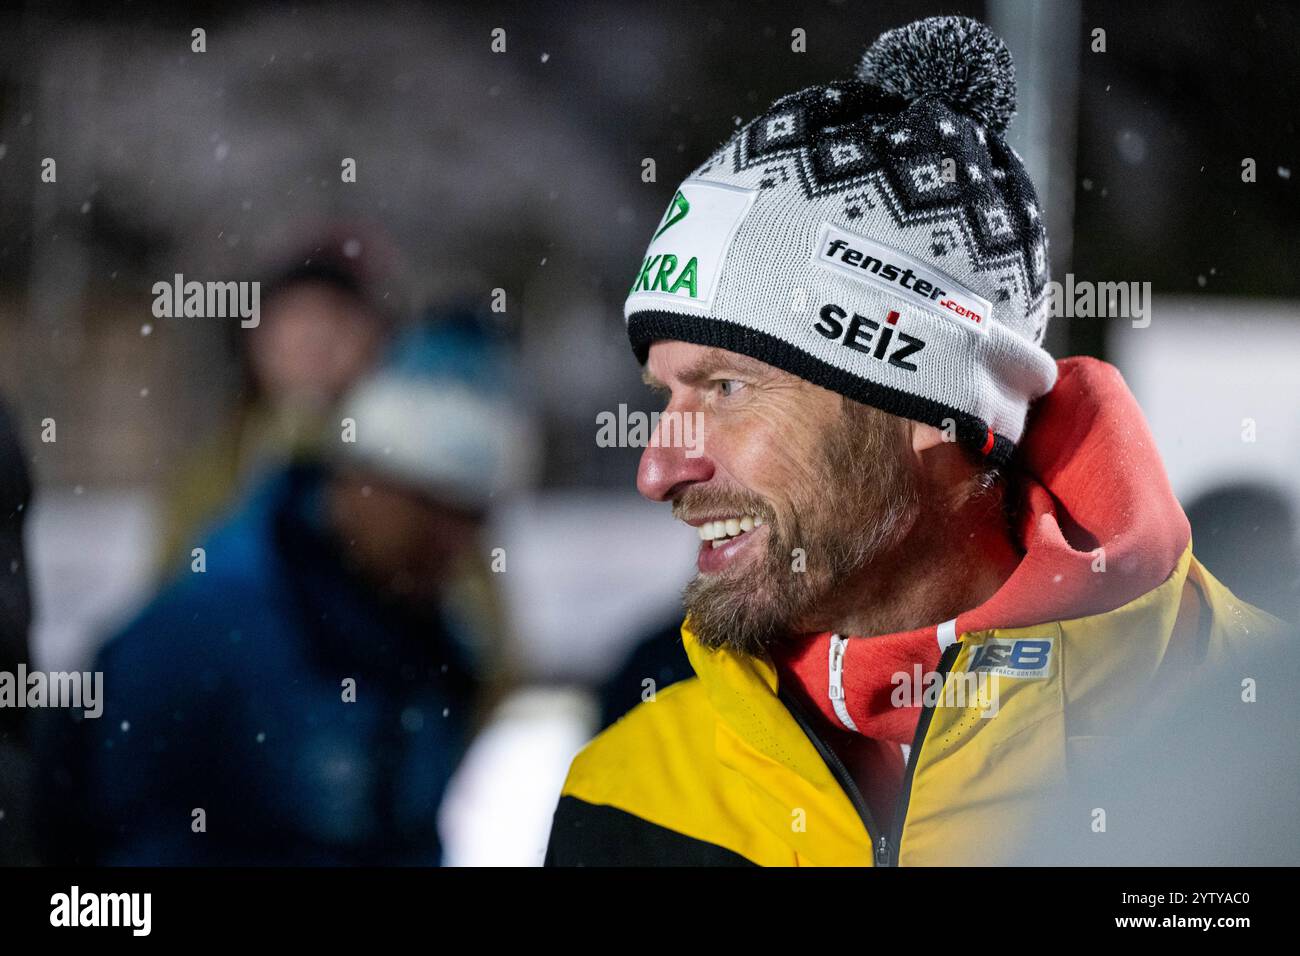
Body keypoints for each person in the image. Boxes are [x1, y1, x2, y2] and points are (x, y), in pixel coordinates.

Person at [545, 16, 1290, 866]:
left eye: (727, 388)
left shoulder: (1263, 746)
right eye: (665, 394)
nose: (658, 467)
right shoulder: (626, 789)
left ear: (928, 408)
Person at [38, 309, 534, 865]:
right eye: (428, 512)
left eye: (471, 519)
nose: (451, 544)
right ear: (361, 483)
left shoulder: (432, 655)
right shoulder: (201, 637)